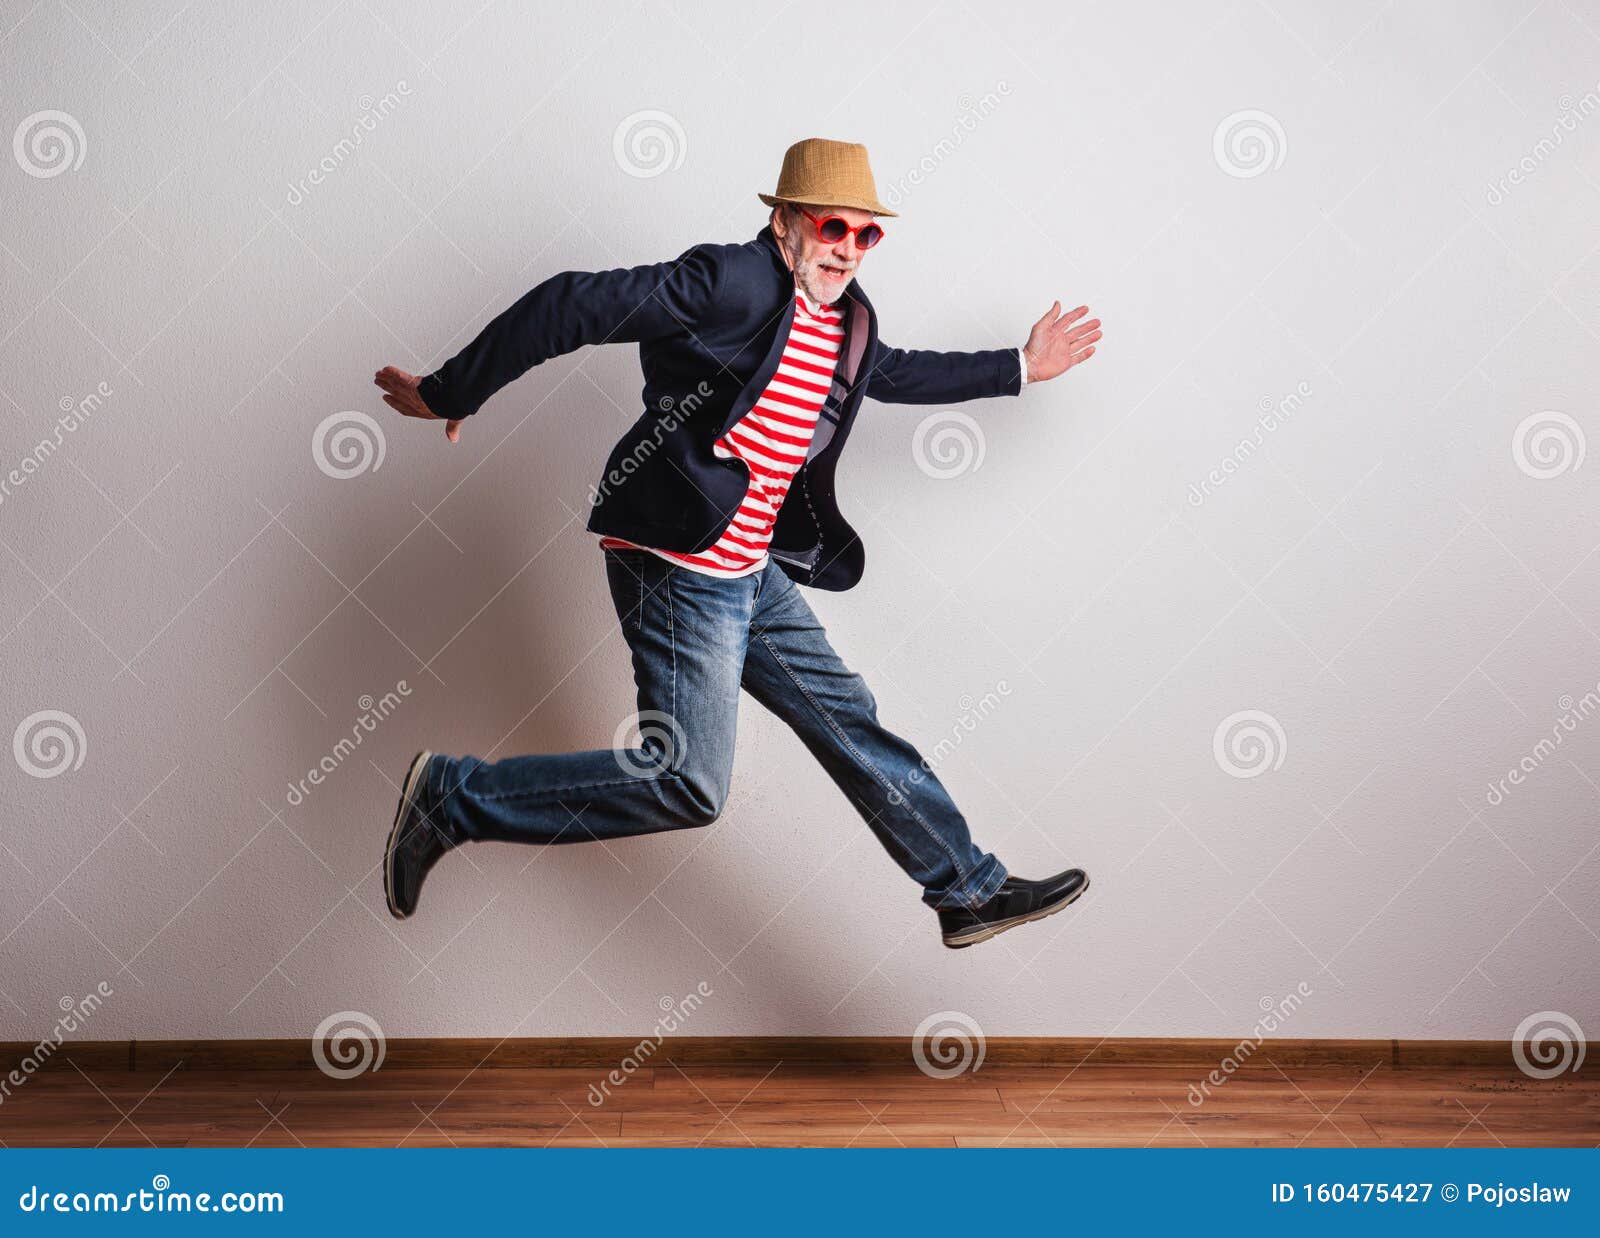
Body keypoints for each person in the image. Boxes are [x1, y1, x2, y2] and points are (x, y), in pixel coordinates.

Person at [374, 138, 1102, 948]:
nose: (849, 250)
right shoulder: (728, 279)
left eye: (867, 235)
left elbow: (892, 374)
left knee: (848, 720)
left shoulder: (846, 320)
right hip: (679, 564)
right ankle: (454, 798)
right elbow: (571, 301)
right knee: (686, 781)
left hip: (749, 570)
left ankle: (968, 889)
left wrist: (1021, 368)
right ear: (786, 221)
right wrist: (453, 387)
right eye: (832, 228)